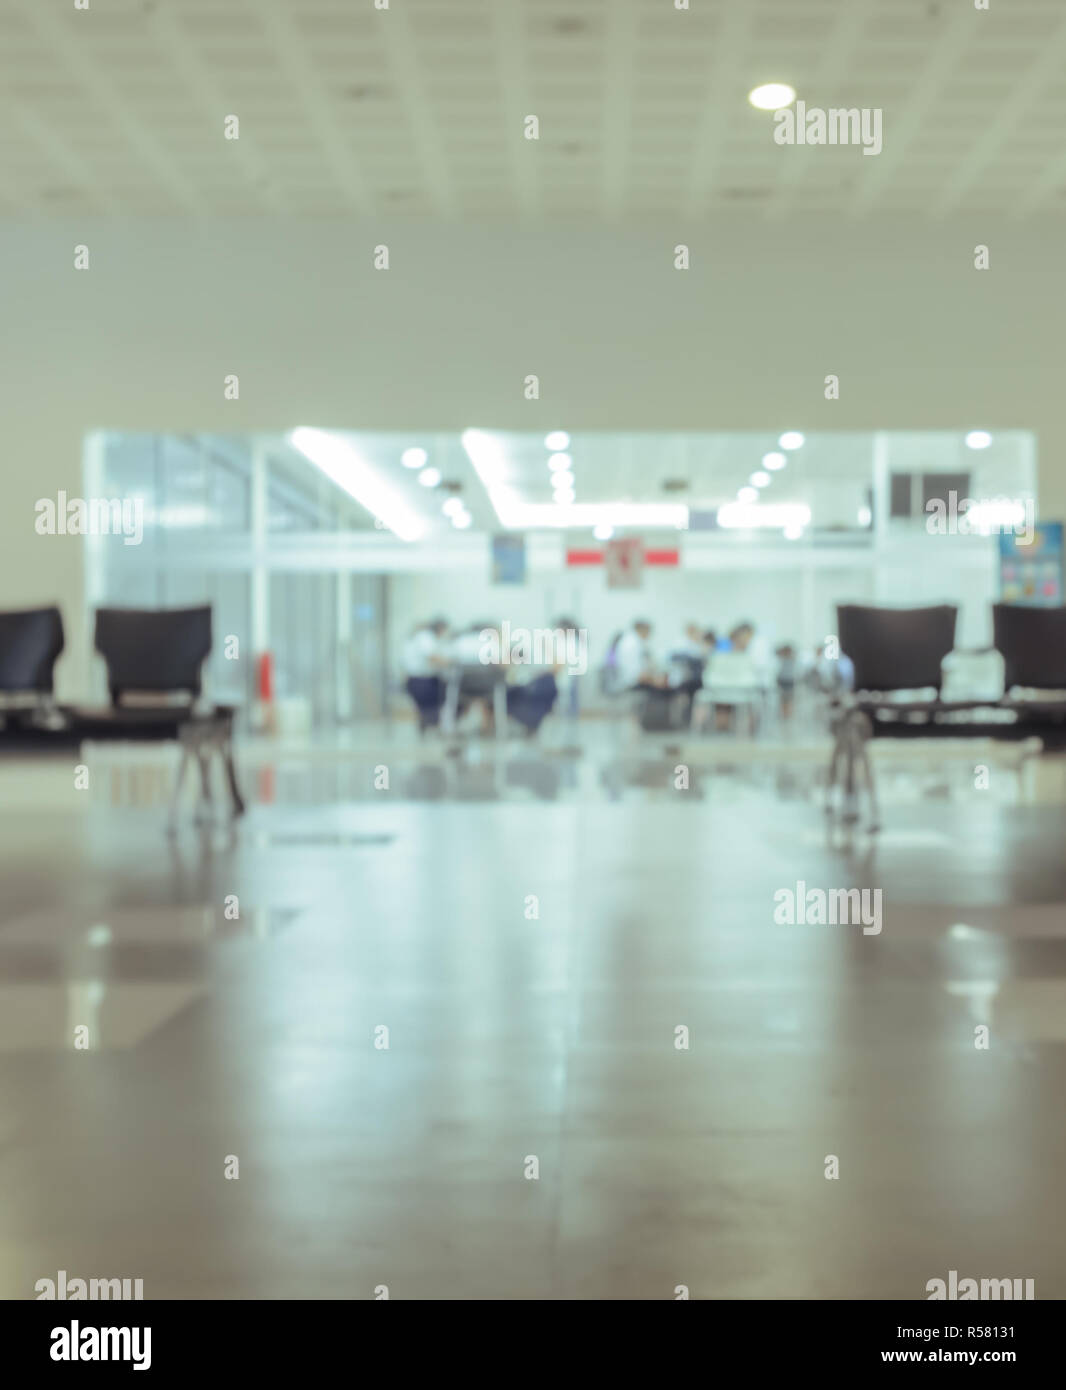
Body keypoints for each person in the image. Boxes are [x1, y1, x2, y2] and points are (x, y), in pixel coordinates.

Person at [402, 618, 449, 731]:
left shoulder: (419, 638)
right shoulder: (425, 637)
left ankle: (430, 721)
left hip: (418, 680)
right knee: (452, 692)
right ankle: (433, 722)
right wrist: (450, 662)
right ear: (441, 628)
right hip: (421, 681)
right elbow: (432, 657)